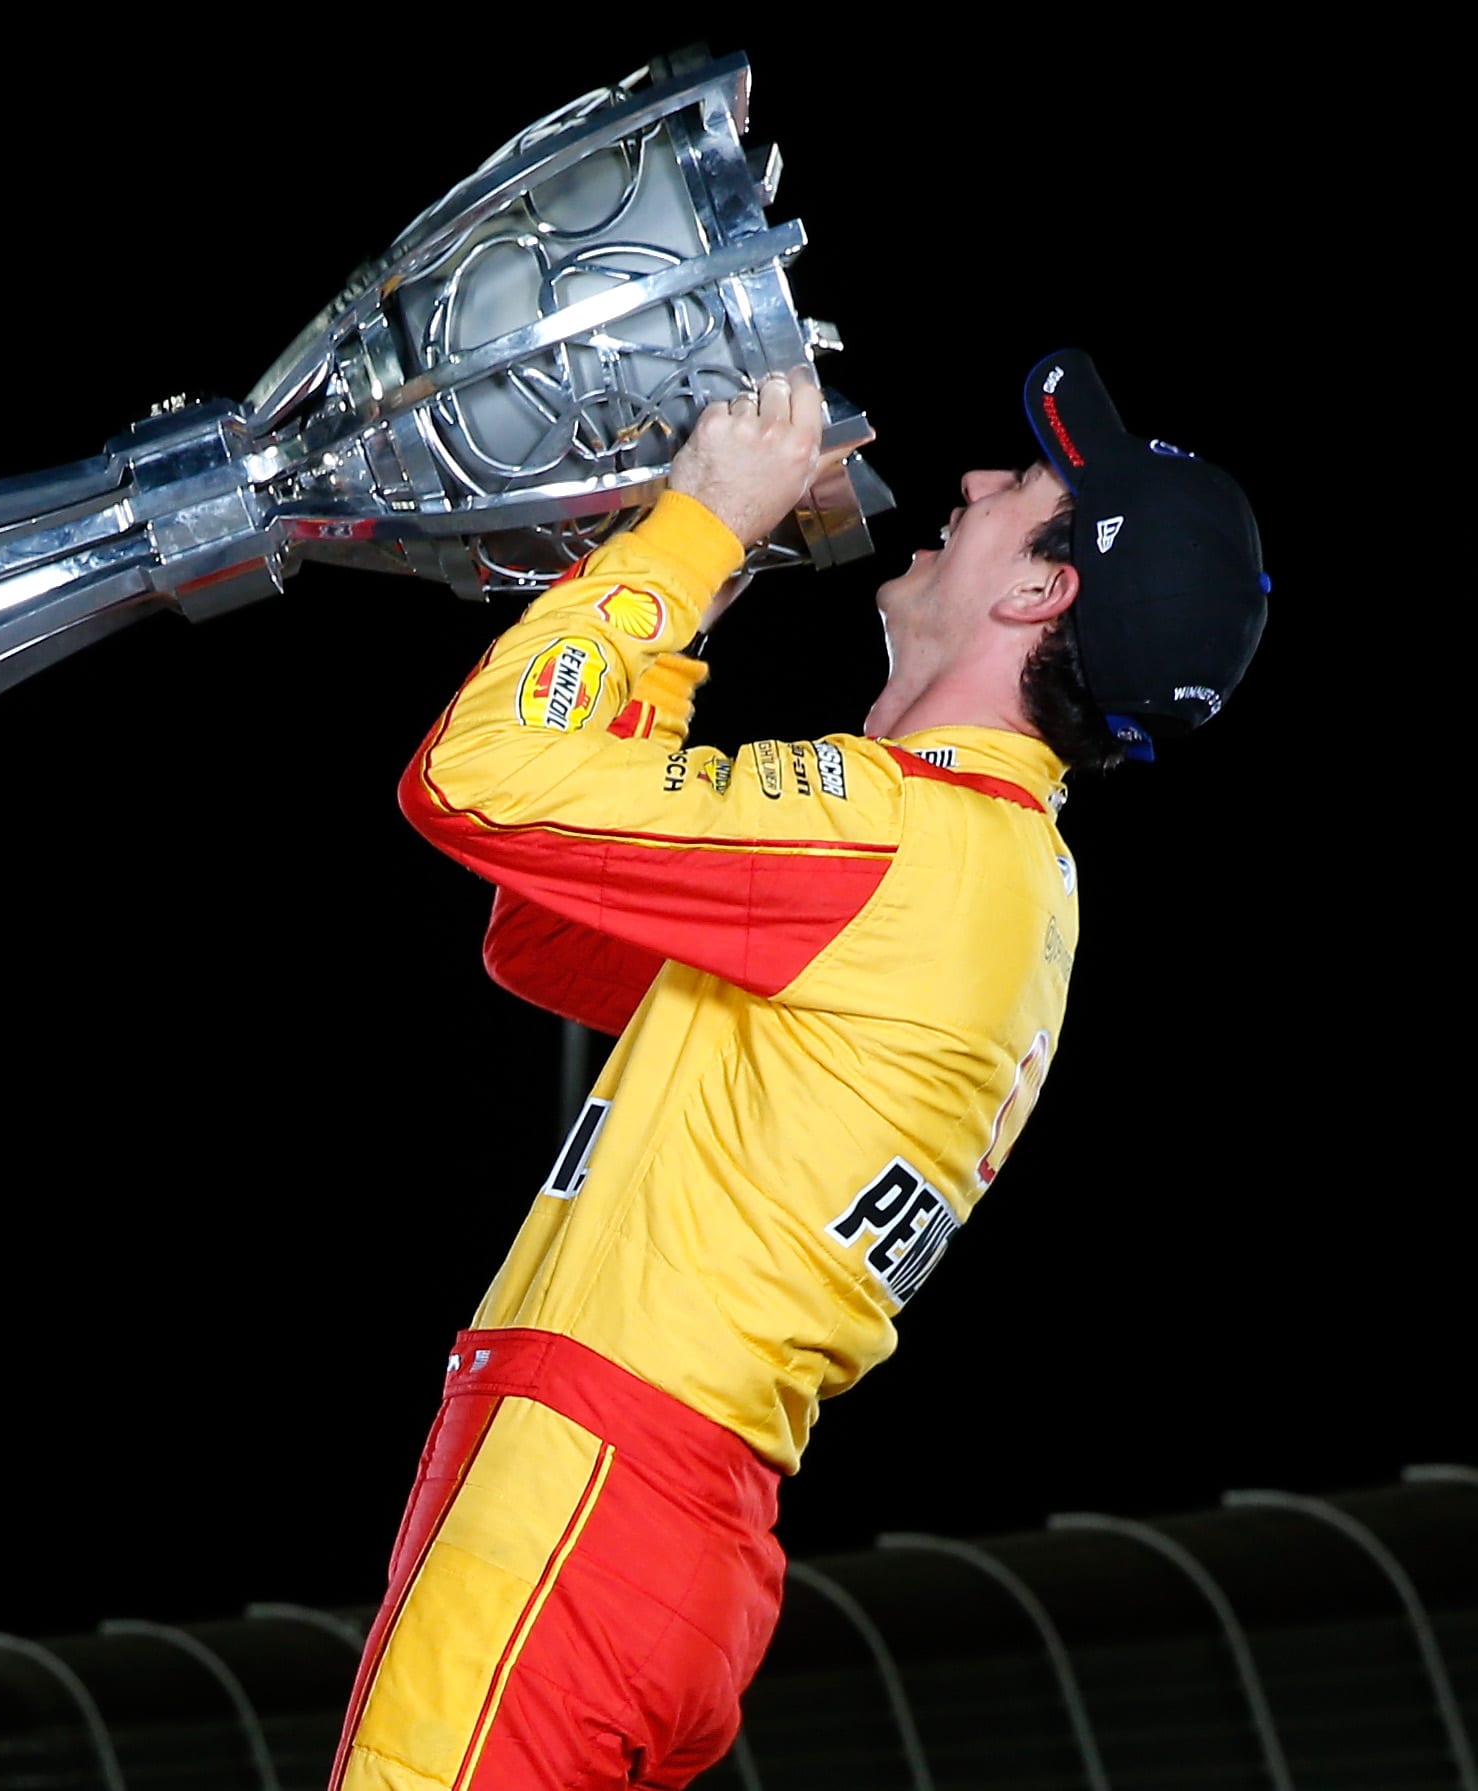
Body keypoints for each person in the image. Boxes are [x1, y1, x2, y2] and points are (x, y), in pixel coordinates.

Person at [327, 349, 1267, 1791]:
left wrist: (697, 520)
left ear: (1036, 593)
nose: (967, 482)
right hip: (657, 1519)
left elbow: (478, 775)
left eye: (1019, 489)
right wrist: (690, 595)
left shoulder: (901, 837)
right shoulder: (993, 867)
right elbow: (554, 939)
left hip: (594, 1480)